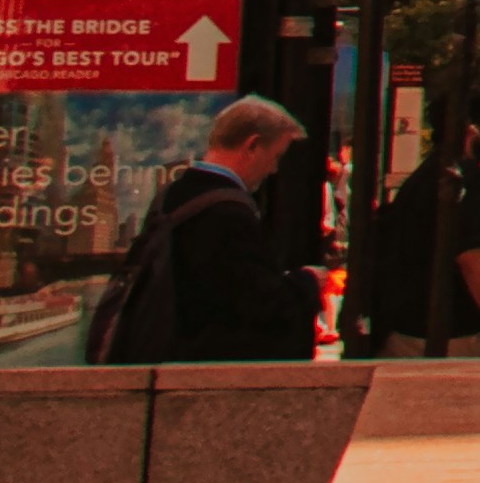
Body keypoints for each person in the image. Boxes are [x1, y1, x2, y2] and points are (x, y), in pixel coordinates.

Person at [86, 97, 323, 365]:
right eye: (275, 156)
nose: (273, 169)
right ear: (253, 145)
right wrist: (308, 282)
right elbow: (259, 305)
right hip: (201, 372)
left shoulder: (172, 196)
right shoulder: (227, 213)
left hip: (161, 357)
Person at [358, 105, 480, 358]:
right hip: (458, 337)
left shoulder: (424, 177)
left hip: (410, 332)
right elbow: (472, 258)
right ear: (470, 129)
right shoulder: (464, 180)